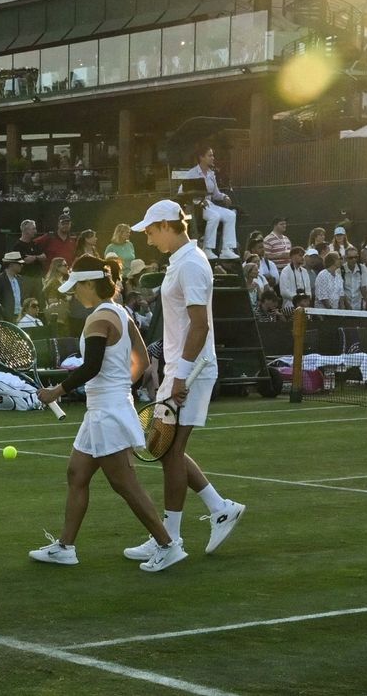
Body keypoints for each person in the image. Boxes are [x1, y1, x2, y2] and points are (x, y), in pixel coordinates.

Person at [30, 255, 186, 571]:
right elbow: (141, 362)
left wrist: (54, 392)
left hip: (107, 413)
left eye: (77, 287)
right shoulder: (121, 313)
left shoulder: (98, 319)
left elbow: (91, 366)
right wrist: (116, 388)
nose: (73, 293)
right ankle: (66, 547)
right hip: (106, 408)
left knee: (124, 483)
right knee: (77, 474)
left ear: (90, 284)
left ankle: (167, 545)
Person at [125, 199, 245, 559]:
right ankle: (219, 508)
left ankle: (170, 540)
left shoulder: (192, 263)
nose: (147, 239)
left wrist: (179, 375)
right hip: (178, 369)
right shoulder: (182, 261)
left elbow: (200, 325)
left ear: (166, 226)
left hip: (190, 372)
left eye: (149, 231)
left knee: (170, 451)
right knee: (162, 448)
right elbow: (182, 324)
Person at [180, 146, 237, 260]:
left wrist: (224, 196)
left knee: (231, 215)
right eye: (210, 155)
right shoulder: (191, 173)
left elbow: (216, 194)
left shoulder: (211, 174)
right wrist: (198, 201)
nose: (213, 158)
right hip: (197, 207)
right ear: (201, 157)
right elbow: (182, 192)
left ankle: (227, 249)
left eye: (213, 155)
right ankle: (207, 249)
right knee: (214, 216)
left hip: (210, 205)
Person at [0, 251, 27, 322]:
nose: (22, 266)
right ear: (11, 265)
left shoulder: (20, 279)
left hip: (21, 318)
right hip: (6, 319)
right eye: (19, 264)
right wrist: (0, 319)